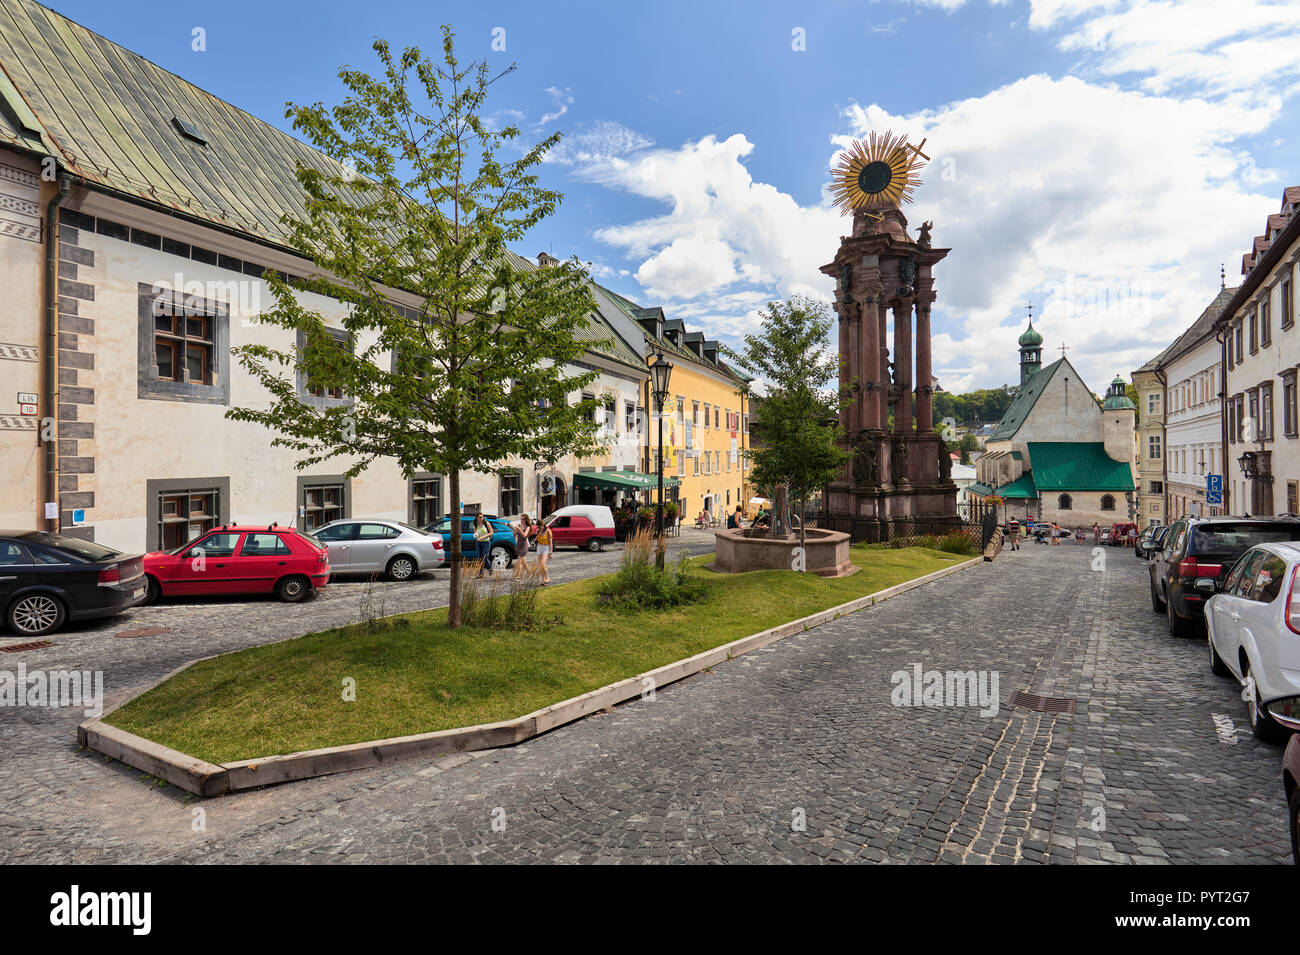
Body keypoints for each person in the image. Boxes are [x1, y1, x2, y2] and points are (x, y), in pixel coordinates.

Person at [511, 514, 534, 581]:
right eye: (520, 519)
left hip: (524, 546)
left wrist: (519, 530)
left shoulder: (528, 527)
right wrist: (515, 530)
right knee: (523, 562)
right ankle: (529, 573)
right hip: (518, 545)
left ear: (526, 520)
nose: (521, 520)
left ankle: (518, 576)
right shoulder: (518, 526)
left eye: (522, 519)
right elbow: (514, 535)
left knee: (519, 561)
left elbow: (524, 535)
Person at [472, 513, 493, 578]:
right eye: (480, 517)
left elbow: (491, 532)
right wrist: (476, 535)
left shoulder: (486, 523)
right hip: (478, 543)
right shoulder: (476, 524)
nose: (482, 518)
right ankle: (481, 573)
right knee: (479, 558)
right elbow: (475, 533)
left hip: (486, 542)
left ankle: (490, 568)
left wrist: (483, 537)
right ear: (477, 518)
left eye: (482, 517)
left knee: (485, 557)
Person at [534, 519, 553, 585]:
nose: (539, 528)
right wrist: (535, 539)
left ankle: (547, 578)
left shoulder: (548, 531)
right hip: (539, 547)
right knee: (541, 565)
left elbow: (550, 542)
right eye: (538, 527)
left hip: (546, 547)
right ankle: (543, 580)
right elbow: (536, 539)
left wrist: (550, 552)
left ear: (543, 525)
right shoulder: (538, 531)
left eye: (540, 526)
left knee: (542, 564)